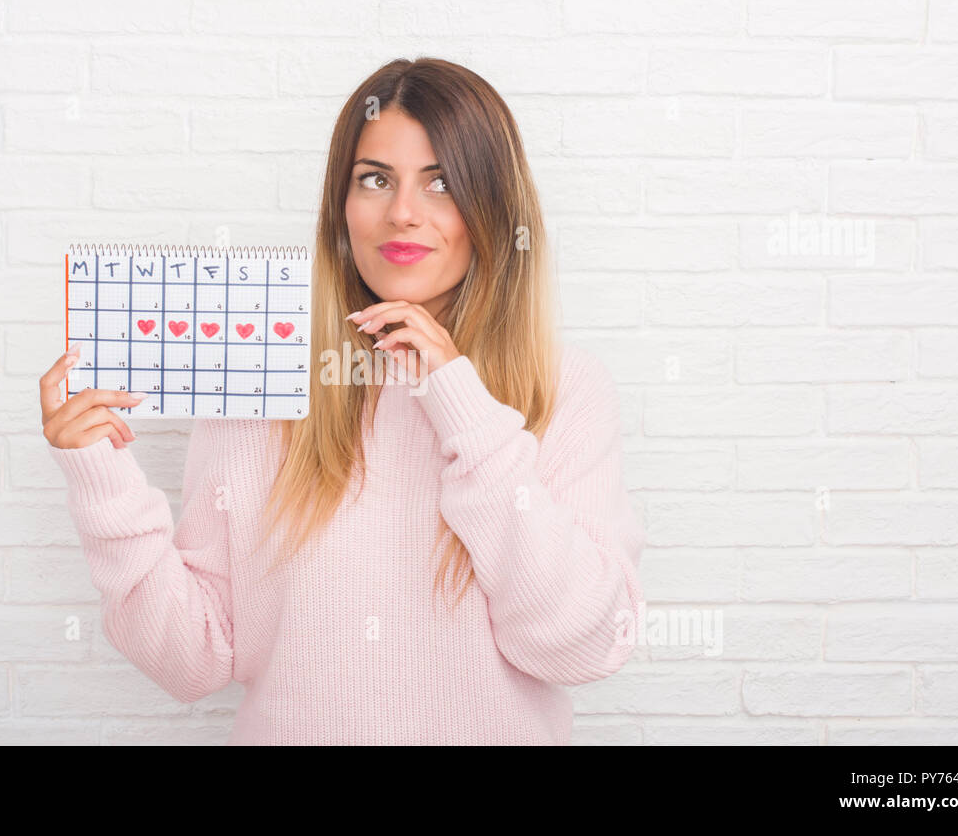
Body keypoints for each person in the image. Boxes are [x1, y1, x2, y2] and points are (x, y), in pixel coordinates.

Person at [38, 57, 645, 745]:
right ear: (340, 205)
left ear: (494, 207)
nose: (403, 213)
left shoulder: (566, 390)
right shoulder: (262, 380)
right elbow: (194, 659)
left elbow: (581, 645)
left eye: (441, 181)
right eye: (374, 179)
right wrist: (103, 477)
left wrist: (461, 405)